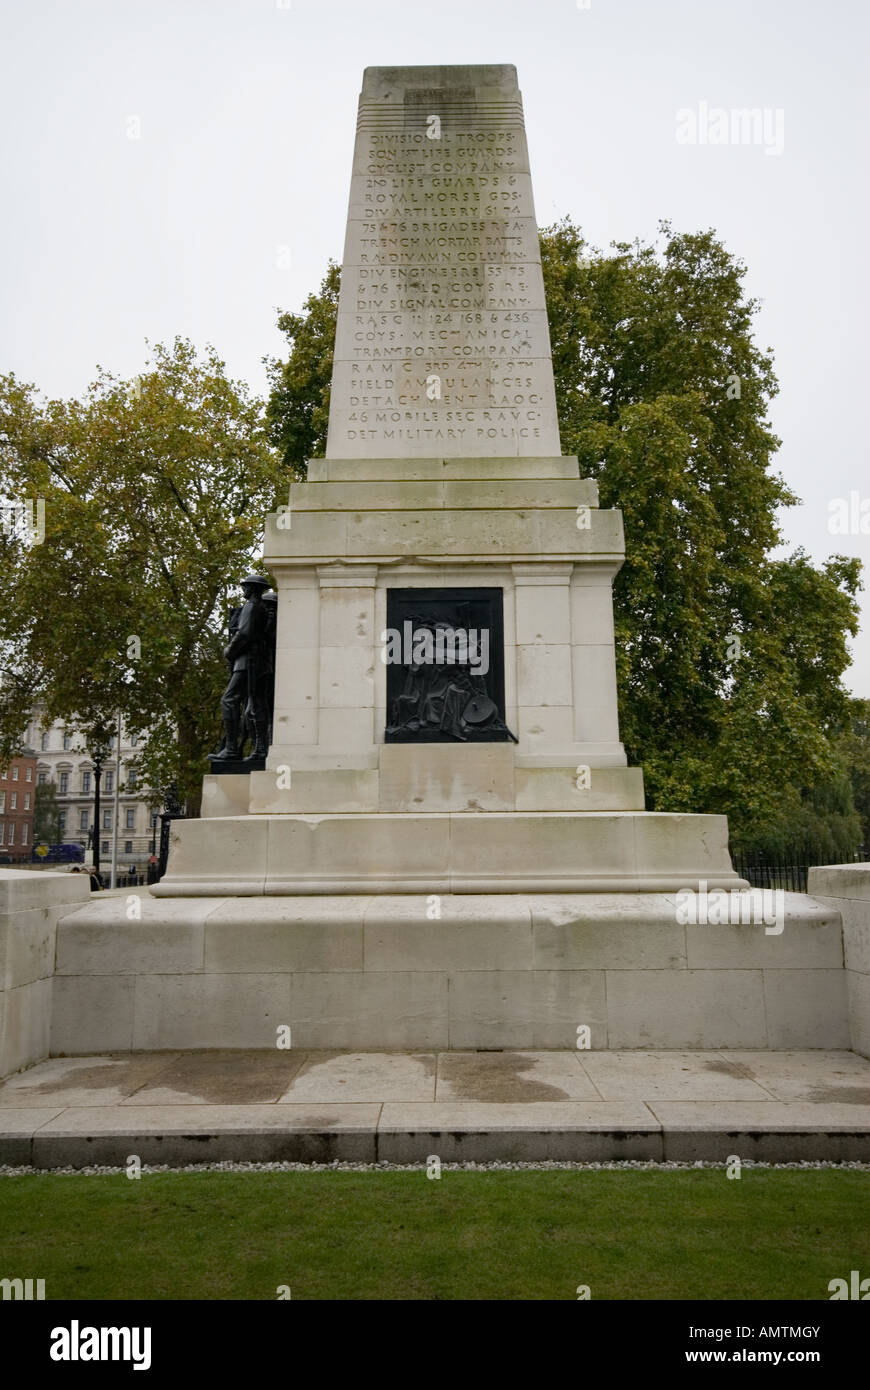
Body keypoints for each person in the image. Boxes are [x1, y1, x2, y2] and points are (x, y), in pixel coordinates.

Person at [212, 575, 271, 763]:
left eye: (246, 587)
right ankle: (259, 749)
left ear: (253, 589)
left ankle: (231, 749)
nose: (243, 590)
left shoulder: (251, 606)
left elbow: (244, 634)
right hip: (258, 662)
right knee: (255, 703)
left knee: (229, 700)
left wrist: (229, 650)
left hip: (247, 662)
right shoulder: (261, 608)